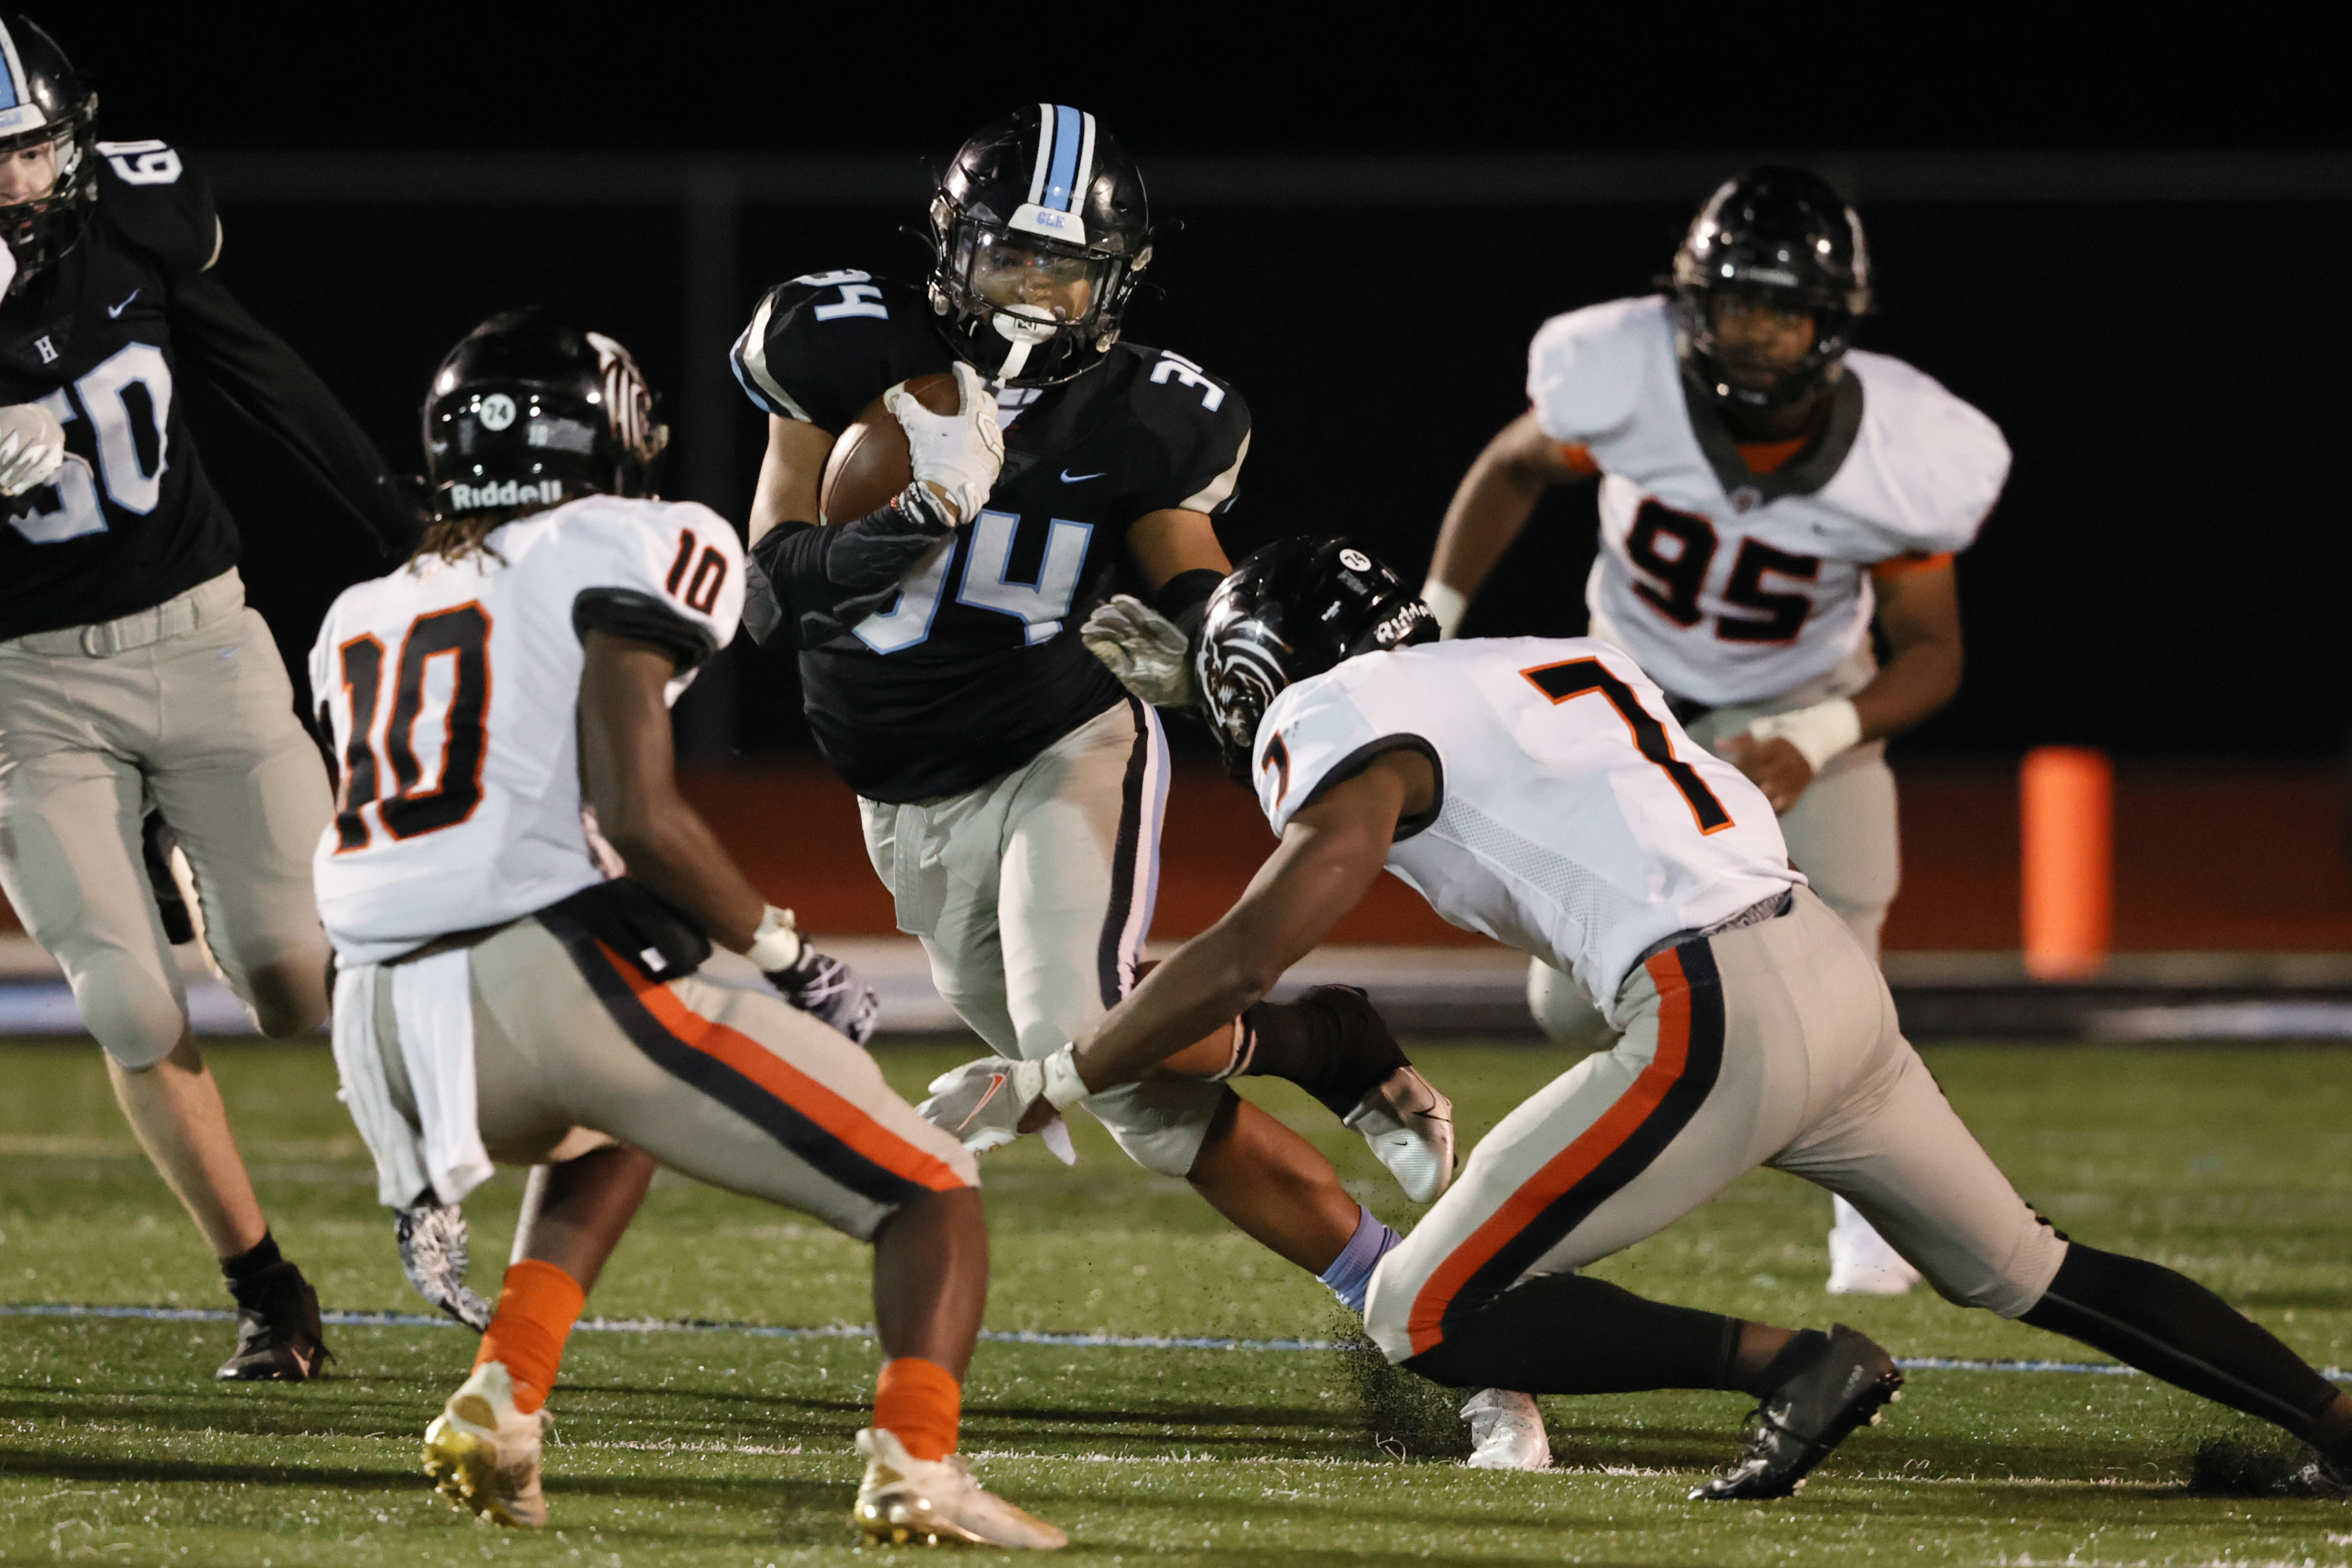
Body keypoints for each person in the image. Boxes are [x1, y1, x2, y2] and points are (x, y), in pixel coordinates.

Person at [926, 537, 2352, 1501]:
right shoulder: (1530, 660)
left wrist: (1056, 1070)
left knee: (1422, 1313)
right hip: (1825, 976)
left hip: (1707, 1009)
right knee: (2031, 1269)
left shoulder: (1341, 716)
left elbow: (1248, 949)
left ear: (1266, 684)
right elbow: (1449, 764)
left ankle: (1791, 1365)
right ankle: (2332, 1420)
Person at [310, 309, 1060, 1546]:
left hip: (378, 1024)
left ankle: (504, 1391)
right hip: (541, 970)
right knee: (930, 1183)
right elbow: (640, 815)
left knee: (616, 1120)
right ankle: (916, 1464)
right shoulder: (627, 539)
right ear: (607, 435)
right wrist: (783, 954)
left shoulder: (362, 613)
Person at [729, 104, 1457, 1328]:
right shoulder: (834, 342)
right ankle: (1332, 1058)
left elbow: (1188, 574)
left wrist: (1198, 646)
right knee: (1134, 1087)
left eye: (1062, 270)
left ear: (1113, 283)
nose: (1030, 294)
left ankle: (1418, 1309)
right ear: (948, 248)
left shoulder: (1152, 413)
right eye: (1009, 257)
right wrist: (904, 528)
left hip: (1054, 745)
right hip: (899, 791)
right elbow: (766, 590)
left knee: (1080, 1036)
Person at [1419, 167, 2013, 1315]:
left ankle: (1871, 1209)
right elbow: (1511, 464)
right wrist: (1432, 617)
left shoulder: (1903, 454)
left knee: (1848, 939)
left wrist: (1822, 729)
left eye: (1780, 310)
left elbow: (1931, 651)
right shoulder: (1623, 383)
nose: (1752, 334)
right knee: (1570, 1001)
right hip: (1626, 688)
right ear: (1690, 305)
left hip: (1802, 695)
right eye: (1735, 304)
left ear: (1829, 325)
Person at [0, 13, 419, 1378]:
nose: (18, 180)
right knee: (126, 1001)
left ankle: (186, 850)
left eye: (33, 148)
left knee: (298, 988)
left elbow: (256, 370)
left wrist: (400, 528)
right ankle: (265, 1289)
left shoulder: (135, 220)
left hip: (201, 639)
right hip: (25, 693)